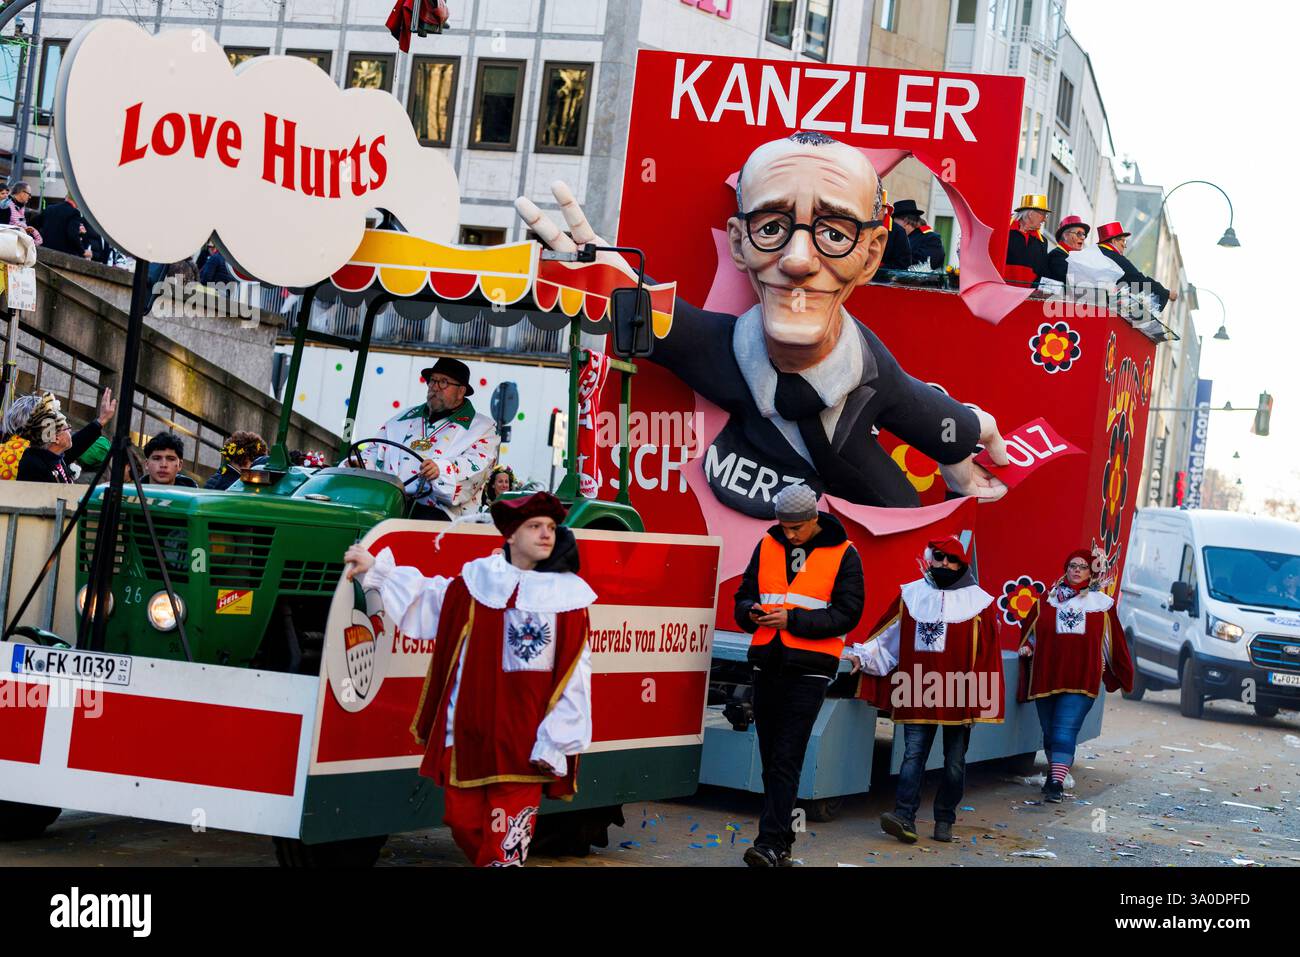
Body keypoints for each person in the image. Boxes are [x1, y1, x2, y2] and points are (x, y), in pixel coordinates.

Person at [516, 132, 1009, 519]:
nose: (797, 260)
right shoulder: (720, 352)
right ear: (738, 242)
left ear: (871, 253)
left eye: (833, 233)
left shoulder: (871, 371)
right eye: (770, 228)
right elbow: (656, 317)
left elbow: (928, 415)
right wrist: (611, 280)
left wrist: (969, 438)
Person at [342, 490, 594, 867]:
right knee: (461, 823)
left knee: (503, 851)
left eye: (551, 528)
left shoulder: (567, 599)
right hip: (468, 737)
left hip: (525, 744)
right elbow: (428, 598)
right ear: (510, 535)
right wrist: (376, 568)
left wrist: (555, 742)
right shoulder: (477, 583)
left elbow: (575, 676)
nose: (546, 534)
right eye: (535, 526)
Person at [733, 483, 864, 866]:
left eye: (796, 528)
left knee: (786, 757)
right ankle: (782, 843)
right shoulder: (768, 544)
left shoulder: (844, 553)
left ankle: (769, 843)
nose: (789, 535)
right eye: (784, 527)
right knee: (772, 756)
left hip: (809, 670)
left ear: (814, 520)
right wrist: (750, 612)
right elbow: (742, 595)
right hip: (766, 663)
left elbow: (847, 614)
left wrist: (793, 620)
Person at [846, 535, 1003, 843]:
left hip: (959, 694)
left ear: (962, 564)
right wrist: (861, 655)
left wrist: (980, 701)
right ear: (931, 558)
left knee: (954, 765)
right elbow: (888, 638)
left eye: (952, 559)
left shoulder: (979, 601)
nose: (945, 564)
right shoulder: (911, 594)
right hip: (915, 689)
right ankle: (904, 817)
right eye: (940, 557)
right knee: (912, 757)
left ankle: (945, 818)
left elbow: (987, 655)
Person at [1017, 548, 1133, 802]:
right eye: (1072, 565)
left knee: (1063, 731)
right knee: (1049, 731)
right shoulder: (1048, 601)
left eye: (1082, 566)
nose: (1076, 569)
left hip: (1081, 679)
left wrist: (1121, 674)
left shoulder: (1101, 605)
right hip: (1047, 676)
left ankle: (1056, 783)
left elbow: (1112, 642)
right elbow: (1034, 631)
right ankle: (1055, 773)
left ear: (1091, 572)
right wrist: (1029, 646)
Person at [361, 357, 500, 520]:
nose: (434, 387)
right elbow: (376, 449)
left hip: (442, 515)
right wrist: (362, 462)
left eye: (443, 382)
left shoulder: (483, 428)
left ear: (461, 391)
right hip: (389, 503)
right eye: (432, 381)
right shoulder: (404, 418)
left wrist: (441, 470)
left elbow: (478, 465)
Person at [7, 389, 116, 484]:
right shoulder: (32, 458)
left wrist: (100, 421)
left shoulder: (44, 453)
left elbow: (71, 449)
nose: (70, 429)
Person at [1094, 222, 1177, 313]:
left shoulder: (1091, 253)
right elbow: (1139, 281)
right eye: (1123, 241)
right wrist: (1165, 293)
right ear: (1114, 241)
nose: (1125, 246)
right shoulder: (1116, 258)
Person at [1005, 194, 1050, 285]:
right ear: (1030, 214)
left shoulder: (1042, 242)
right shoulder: (1005, 232)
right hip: (1000, 293)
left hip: (1027, 296)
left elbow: (1041, 273)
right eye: (1043, 215)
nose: (1045, 220)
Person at [893, 199, 945, 269]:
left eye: (895, 223)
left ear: (905, 221)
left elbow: (925, 264)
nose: (893, 227)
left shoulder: (931, 238)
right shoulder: (901, 238)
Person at [1043, 215, 1089, 285]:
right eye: (1079, 234)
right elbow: (1070, 280)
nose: (1083, 238)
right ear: (1066, 235)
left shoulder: (1072, 257)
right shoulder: (1056, 255)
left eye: (1084, 234)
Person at [877, 190, 914, 272]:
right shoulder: (865, 225)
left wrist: (878, 267)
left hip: (883, 281)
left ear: (883, 209)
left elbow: (904, 264)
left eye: (877, 208)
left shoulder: (898, 232)